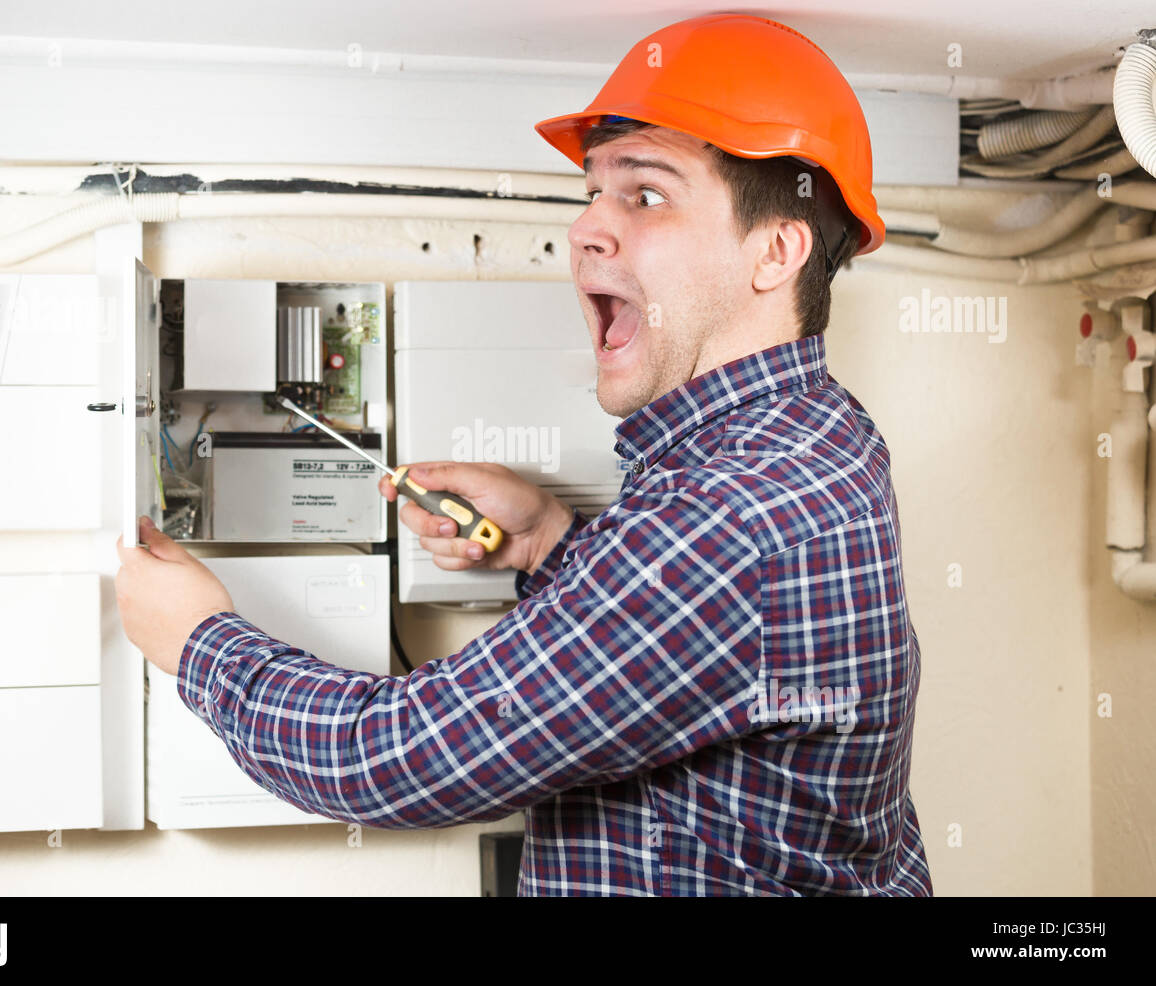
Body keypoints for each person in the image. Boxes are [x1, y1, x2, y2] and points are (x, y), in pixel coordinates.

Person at [115, 12, 932, 896]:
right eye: (593, 192)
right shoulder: (819, 434)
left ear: (775, 251)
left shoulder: (726, 516)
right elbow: (702, 642)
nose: (586, 229)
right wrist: (545, 537)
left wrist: (197, 643)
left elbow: (394, 758)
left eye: (646, 195)